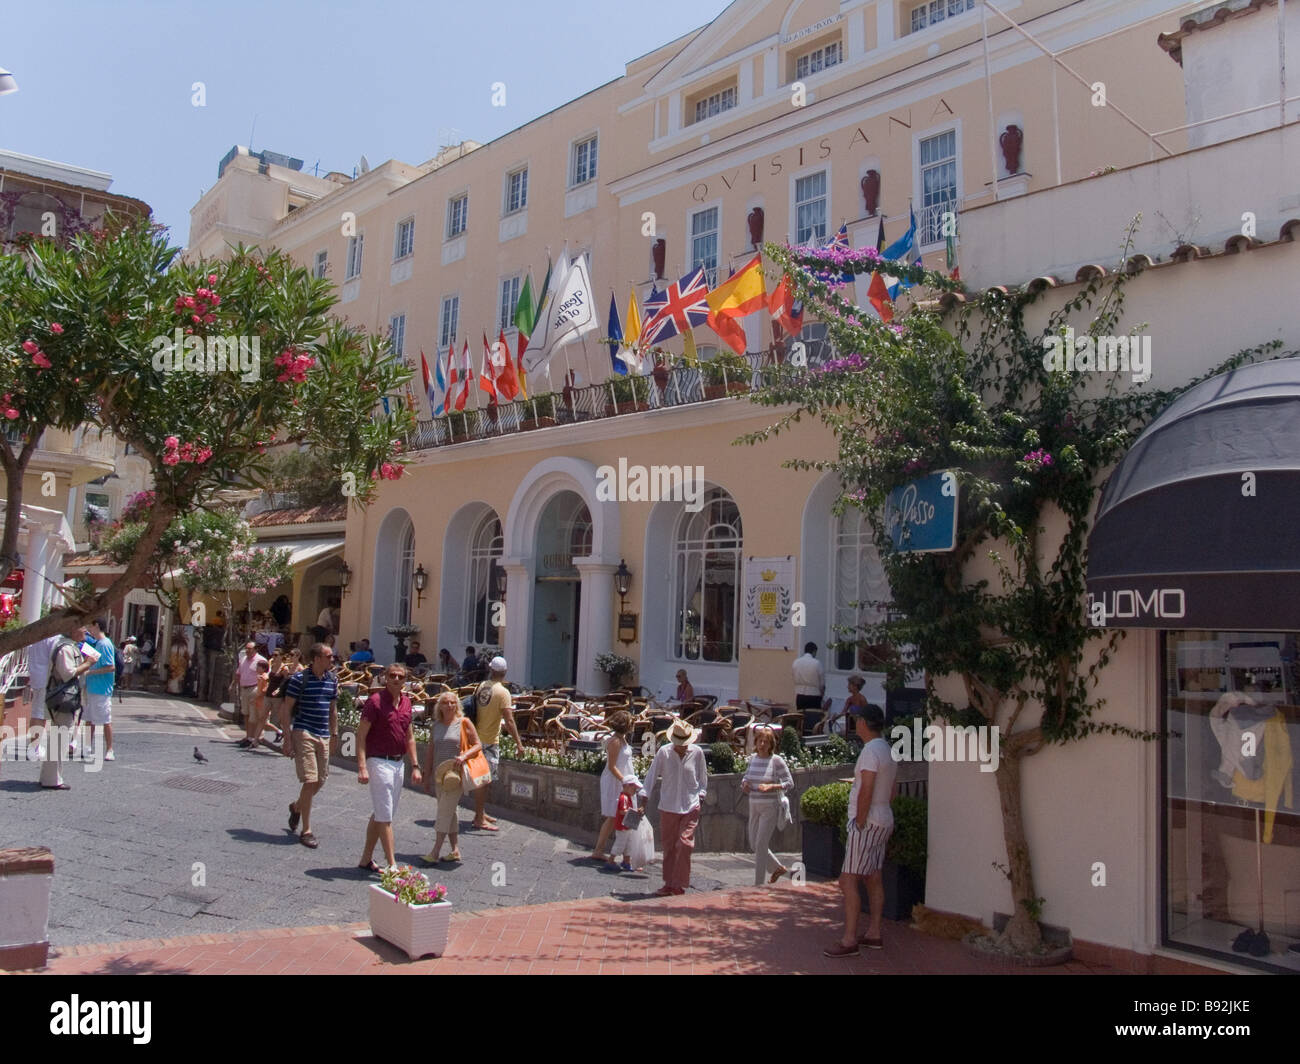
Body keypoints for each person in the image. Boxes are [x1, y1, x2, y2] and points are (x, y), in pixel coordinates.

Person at [825, 702, 898, 957]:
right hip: (884, 818)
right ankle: (874, 933)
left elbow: (867, 787)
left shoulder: (869, 752)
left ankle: (849, 939)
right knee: (874, 876)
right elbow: (892, 790)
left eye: (857, 720)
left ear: (864, 723)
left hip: (867, 821)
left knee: (848, 879)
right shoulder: (887, 750)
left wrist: (860, 820)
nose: (855, 723)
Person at [355, 662, 422, 873]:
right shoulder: (375, 702)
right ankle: (392, 864)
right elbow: (361, 736)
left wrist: (415, 765)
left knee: (381, 812)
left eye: (400, 676)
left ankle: (366, 859)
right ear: (385, 677)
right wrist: (362, 766)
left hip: (397, 763)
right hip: (378, 761)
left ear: (405, 680)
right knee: (386, 816)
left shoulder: (406, 703)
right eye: (392, 675)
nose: (395, 679)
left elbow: (409, 737)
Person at [281, 643, 339, 849]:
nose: (332, 660)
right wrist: (287, 739)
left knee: (320, 780)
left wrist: (334, 734)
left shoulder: (332, 680)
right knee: (310, 780)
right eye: (328, 656)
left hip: (323, 734)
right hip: (303, 731)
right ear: (316, 658)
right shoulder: (299, 680)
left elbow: (333, 709)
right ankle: (306, 830)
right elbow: (286, 709)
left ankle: (297, 807)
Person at [643, 718, 708, 896]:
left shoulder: (697, 753)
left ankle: (679, 884)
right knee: (669, 846)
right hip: (669, 805)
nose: (683, 746)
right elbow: (651, 775)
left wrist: (701, 796)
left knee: (684, 844)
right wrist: (643, 798)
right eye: (680, 743)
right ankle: (669, 883)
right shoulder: (664, 753)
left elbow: (703, 778)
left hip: (691, 805)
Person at [23, 626, 93, 790]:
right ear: (73, 630)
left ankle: (49, 776)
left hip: (60, 694)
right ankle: (52, 779)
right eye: (83, 629)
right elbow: (68, 673)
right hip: (64, 697)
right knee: (61, 737)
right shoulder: (65, 647)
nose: (85, 633)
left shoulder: (65, 645)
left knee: (59, 736)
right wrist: (88, 663)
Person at [421, 690, 483, 864]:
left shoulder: (464, 723)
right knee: (450, 812)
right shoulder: (437, 726)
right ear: (439, 706)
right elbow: (431, 752)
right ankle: (455, 850)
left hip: (455, 775)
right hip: (440, 774)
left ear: (457, 705)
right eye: (445, 702)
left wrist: (463, 756)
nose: (449, 705)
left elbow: (478, 745)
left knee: (443, 812)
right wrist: (427, 776)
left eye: (452, 702)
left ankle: (435, 851)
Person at [470, 656, 522, 831]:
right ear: (505, 672)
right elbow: (509, 720)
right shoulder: (503, 693)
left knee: (484, 781)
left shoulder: (481, 686)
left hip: (477, 737)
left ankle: (480, 812)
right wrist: (519, 744)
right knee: (484, 781)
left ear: (491, 670)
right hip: (490, 741)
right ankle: (478, 817)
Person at [742, 725, 795, 885]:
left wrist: (772, 786)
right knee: (753, 843)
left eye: (766, 741)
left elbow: (789, 783)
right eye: (760, 741)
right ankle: (777, 868)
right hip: (754, 804)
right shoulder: (753, 759)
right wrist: (744, 784)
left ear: (771, 744)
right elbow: (746, 777)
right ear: (756, 742)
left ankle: (758, 883)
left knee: (761, 843)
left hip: (769, 807)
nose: (762, 744)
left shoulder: (776, 761)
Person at [592, 709, 635, 863]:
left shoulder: (622, 739)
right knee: (612, 816)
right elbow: (612, 766)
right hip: (615, 781)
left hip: (623, 780)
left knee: (625, 814)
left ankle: (626, 853)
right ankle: (599, 850)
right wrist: (625, 781)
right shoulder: (615, 741)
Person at [81, 617, 116, 762]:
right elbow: (92, 661)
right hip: (91, 687)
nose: (89, 628)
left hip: (101, 689)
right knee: (89, 719)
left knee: (105, 720)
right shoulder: (97, 644)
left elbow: (110, 666)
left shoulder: (105, 644)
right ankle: (88, 746)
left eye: (90, 625)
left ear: (96, 625)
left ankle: (109, 749)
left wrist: (90, 672)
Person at [609, 776, 650, 871]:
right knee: (620, 844)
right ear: (627, 786)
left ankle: (626, 861)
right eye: (634, 788)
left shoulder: (628, 797)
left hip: (627, 826)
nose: (635, 790)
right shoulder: (624, 798)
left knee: (629, 845)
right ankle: (611, 860)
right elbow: (622, 811)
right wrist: (634, 812)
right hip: (622, 826)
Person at [234, 641, 267, 740]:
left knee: (253, 715)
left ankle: (254, 737)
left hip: (254, 689)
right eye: (246, 648)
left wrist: (261, 692)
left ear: (255, 649)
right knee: (246, 713)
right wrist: (234, 685)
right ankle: (248, 736)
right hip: (244, 689)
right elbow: (238, 673)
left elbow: (266, 676)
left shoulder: (260, 660)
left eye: (250, 648)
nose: (247, 650)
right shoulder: (243, 659)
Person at [792, 641, 825, 712]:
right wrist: (822, 695)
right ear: (814, 651)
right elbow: (822, 684)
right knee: (813, 719)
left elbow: (794, 677)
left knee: (801, 718)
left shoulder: (796, 662)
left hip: (800, 696)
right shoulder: (817, 663)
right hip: (814, 695)